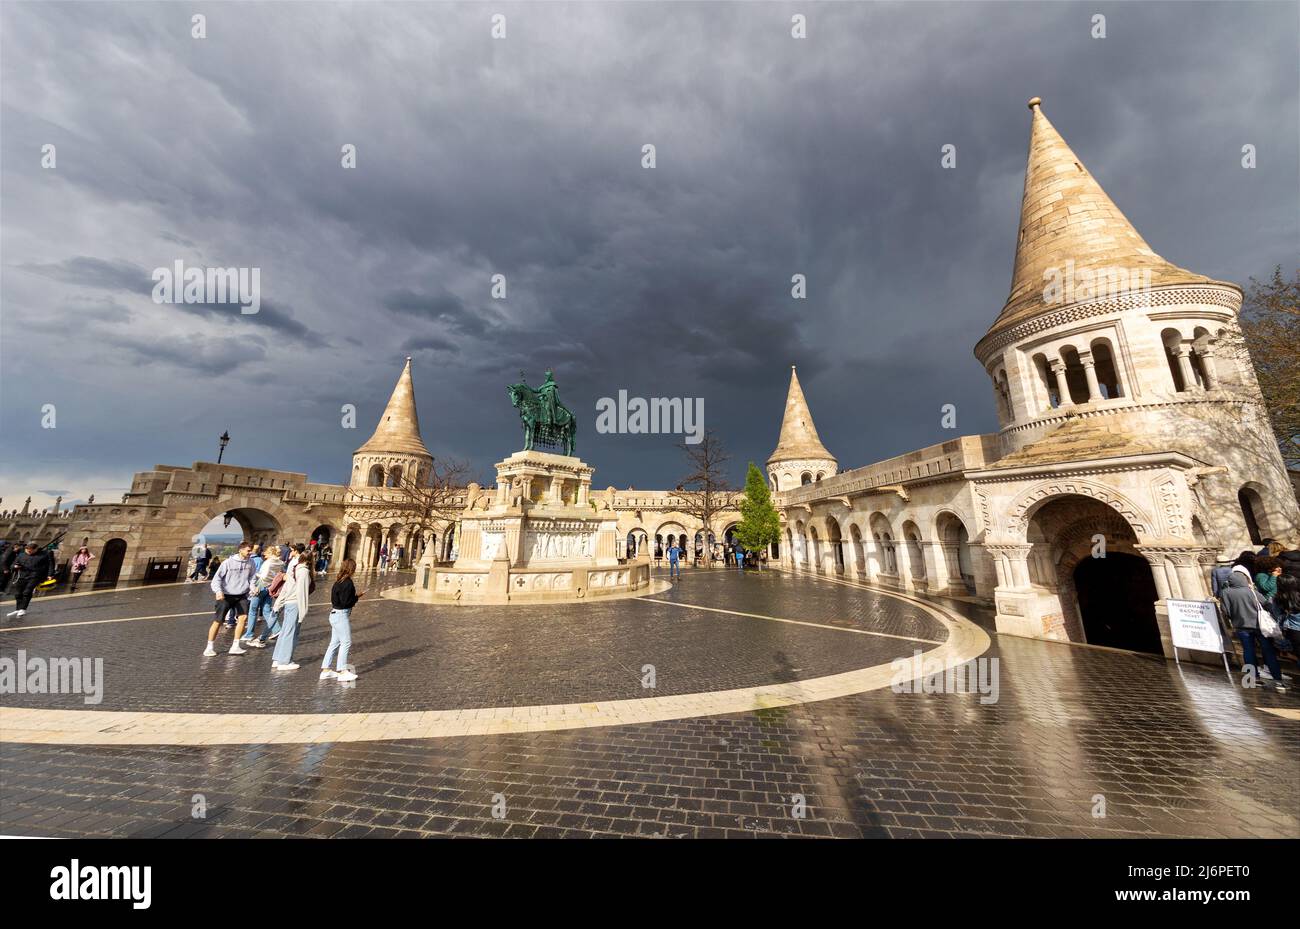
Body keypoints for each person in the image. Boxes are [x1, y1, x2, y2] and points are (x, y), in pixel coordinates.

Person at [1219, 570, 1286, 692]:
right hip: (1259, 626)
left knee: (1248, 651)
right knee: (1268, 652)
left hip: (1240, 626)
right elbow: (1266, 604)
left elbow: (1226, 611)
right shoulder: (1251, 591)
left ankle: (1252, 679)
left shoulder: (1226, 592)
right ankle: (1278, 680)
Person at [203, 542, 256, 657]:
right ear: (241, 550)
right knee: (218, 621)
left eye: (251, 550)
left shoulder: (251, 562)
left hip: (242, 594)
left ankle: (235, 646)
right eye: (248, 550)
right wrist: (218, 591)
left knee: (243, 618)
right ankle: (209, 647)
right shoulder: (228, 562)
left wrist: (252, 587)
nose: (250, 552)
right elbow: (217, 578)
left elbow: (252, 577)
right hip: (225, 595)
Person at [270, 546, 313, 671]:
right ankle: (284, 661)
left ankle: (278, 658)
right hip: (296, 603)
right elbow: (302, 592)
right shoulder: (304, 571)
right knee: (291, 632)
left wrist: (279, 603)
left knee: (285, 631)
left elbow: (286, 588)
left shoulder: (294, 569)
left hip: (289, 602)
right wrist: (303, 611)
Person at [320, 558, 363, 682]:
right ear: (352, 569)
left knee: (334, 643)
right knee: (346, 642)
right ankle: (342, 671)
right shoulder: (348, 583)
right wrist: (356, 597)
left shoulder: (338, 581)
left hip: (334, 614)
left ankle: (326, 669)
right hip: (341, 615)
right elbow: (346, 602)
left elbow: (336, 599)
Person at [242, 547, 284, 647]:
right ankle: (277, 629)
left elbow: (263, 576)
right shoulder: (280, 563)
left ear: (270, 553)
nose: (264, 554)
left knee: (253, 610)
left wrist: (255, 575)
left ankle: (249, 634)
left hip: (261, 587)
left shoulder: (268, 562)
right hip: (270, 587)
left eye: (266, 553)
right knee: (266, 610)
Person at [6, 542, 51, 619]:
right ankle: (18, 609)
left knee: (27, 592)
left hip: (35, 575)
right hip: (21, 575)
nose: (28, 552)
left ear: (36, 549)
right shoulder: (21, 555)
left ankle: (23, 609)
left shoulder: (44, 555)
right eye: (27, 551)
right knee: (18, 594)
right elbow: (13, 564)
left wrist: (50, 574)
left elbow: (50, 565)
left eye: (30, 551)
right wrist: (15, 566)